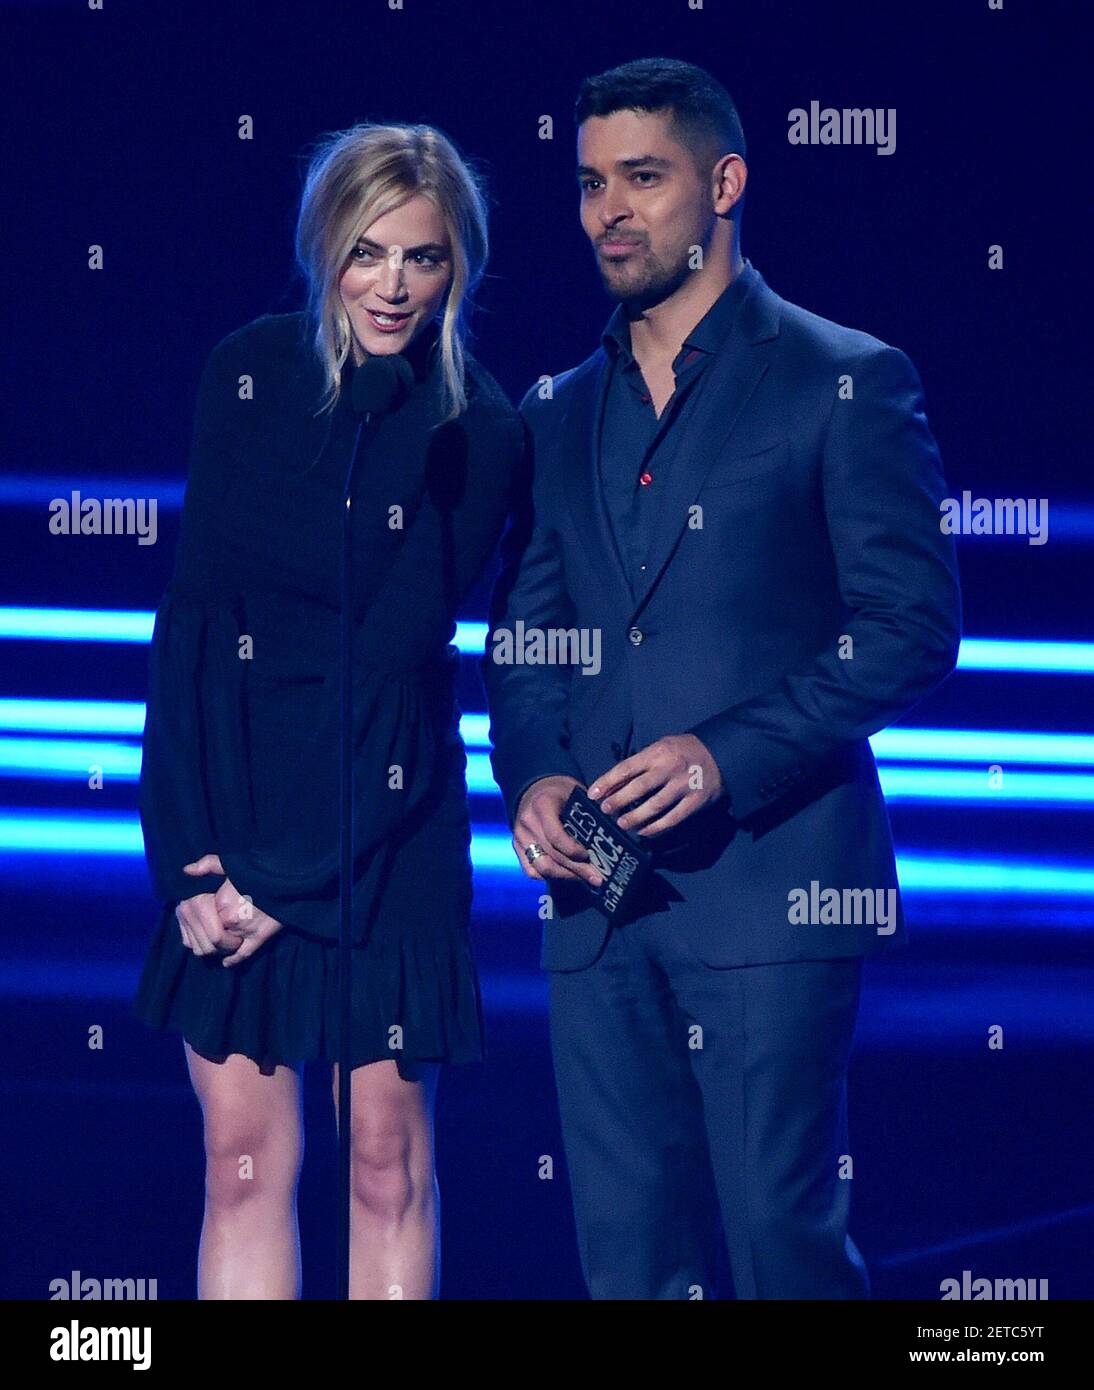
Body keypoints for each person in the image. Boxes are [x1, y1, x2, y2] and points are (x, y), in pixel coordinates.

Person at [482, 58, 962, 1299]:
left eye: (643, 177)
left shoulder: (843, 378)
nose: (609, 212)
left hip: (772, 893)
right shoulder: (555, 410)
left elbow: (907, 626)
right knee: (629, 1259)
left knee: (777, 1244)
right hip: (595, 907)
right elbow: (526, 634)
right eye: (591, 183)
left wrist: (719, 754)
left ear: (725, 183)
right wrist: (532, 770)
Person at [133, 122, 523, 1300]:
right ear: (323, 251)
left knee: (384, 1166)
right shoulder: (244, 379)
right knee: (243, 1166)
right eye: (367, 253)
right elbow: (192, 627)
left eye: (423, 258)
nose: (393, 285)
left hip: (380, 831)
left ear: (460, 266)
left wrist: (285, 880)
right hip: (235, 822)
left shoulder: (479, 432)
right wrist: (193, 861)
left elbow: (394, 677)